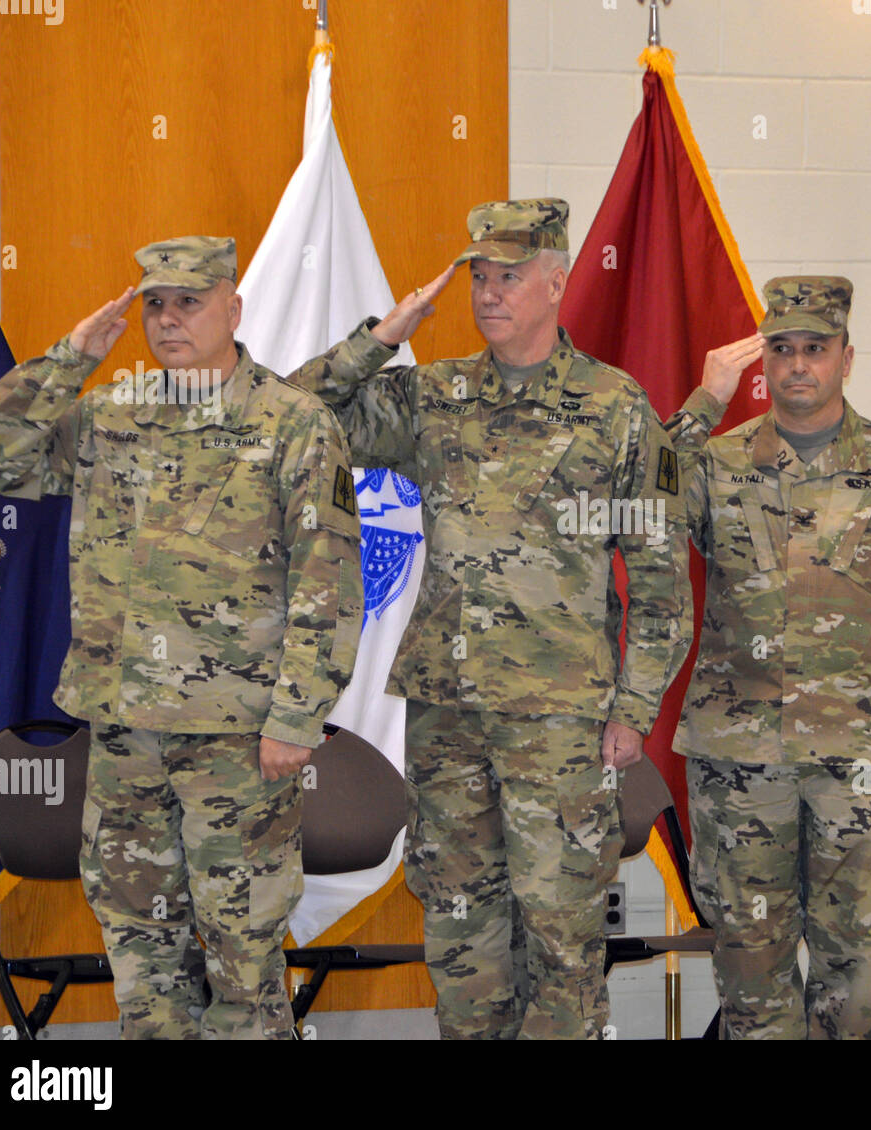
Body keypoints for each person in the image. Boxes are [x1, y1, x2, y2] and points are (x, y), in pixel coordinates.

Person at [292, 198, 692, 1039]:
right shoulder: (435, 394)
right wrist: (383, 335)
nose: (488, 291)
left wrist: (634, 707)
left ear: (556, 282)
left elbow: (660, 577)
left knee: (560, 930)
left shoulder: (618, 409)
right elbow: (298, 414)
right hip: (450, 707)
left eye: (509, 274)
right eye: (479, 274)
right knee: (460, 924)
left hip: (562, 715)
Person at [0, 236, 364, 1039]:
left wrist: (295, 717)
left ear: (233, 309)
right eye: (155, 303)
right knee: (143, 960)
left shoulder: (293, 423)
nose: (170, 318)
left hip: (238, 741)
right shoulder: (114, 414)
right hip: (125, 733)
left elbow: (328, 578)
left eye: (190, 301)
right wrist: (71, 358)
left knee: (242, 962)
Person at [664, 276, 871, 1038]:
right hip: (741, 766)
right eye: (781, 350)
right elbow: (634, 505)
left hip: (866, 767)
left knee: (857, 982)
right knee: (751, 979)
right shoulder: (715, 464)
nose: (797, 365)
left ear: (847, 358)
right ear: (761, 363)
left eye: (815, 348)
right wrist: (701, 404)